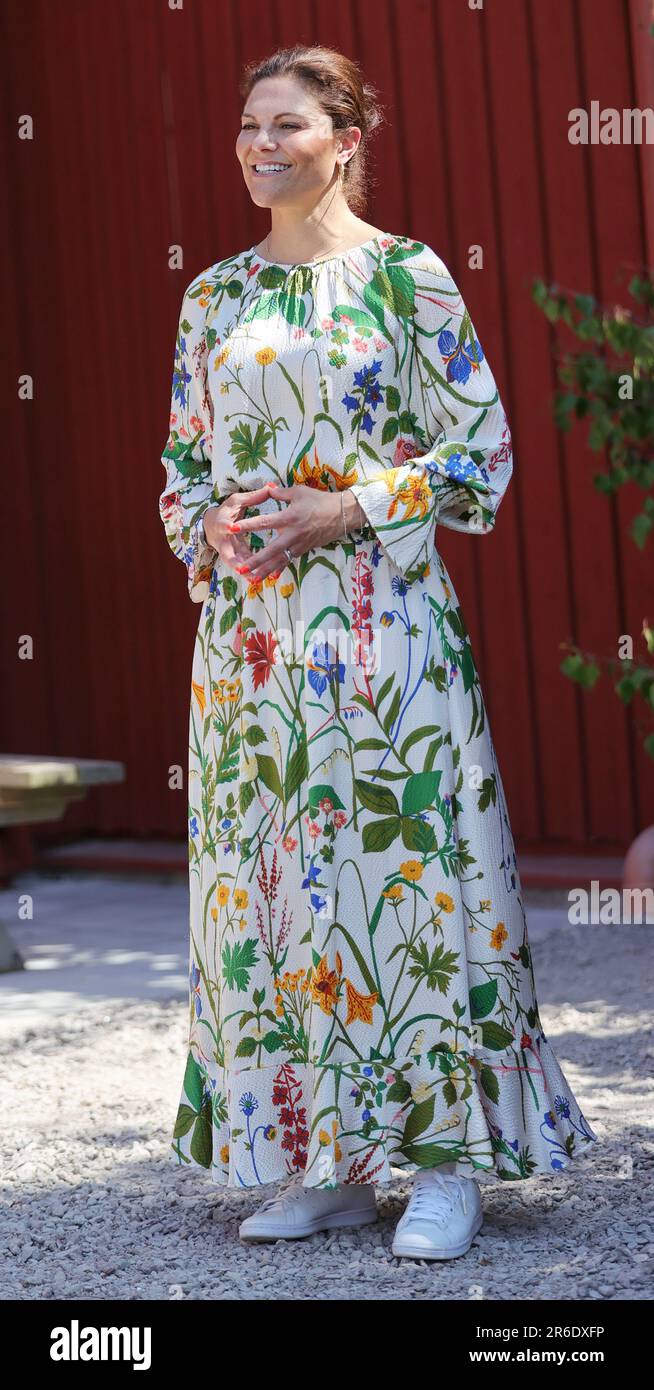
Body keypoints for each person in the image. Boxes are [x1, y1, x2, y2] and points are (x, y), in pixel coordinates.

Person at [159, 44, 598, 1262]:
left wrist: (339, 509)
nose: (259, 144)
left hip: (382, 630)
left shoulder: (409, 281)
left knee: (414, 878)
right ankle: (330, 1157)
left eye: (286, 124)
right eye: (248, 123)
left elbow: (480, 457)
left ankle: (449, 1164)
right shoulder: (211, 298)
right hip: (248, 651)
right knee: (284, 891)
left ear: (345, 140)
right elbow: (181, 471)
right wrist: (218, 524)